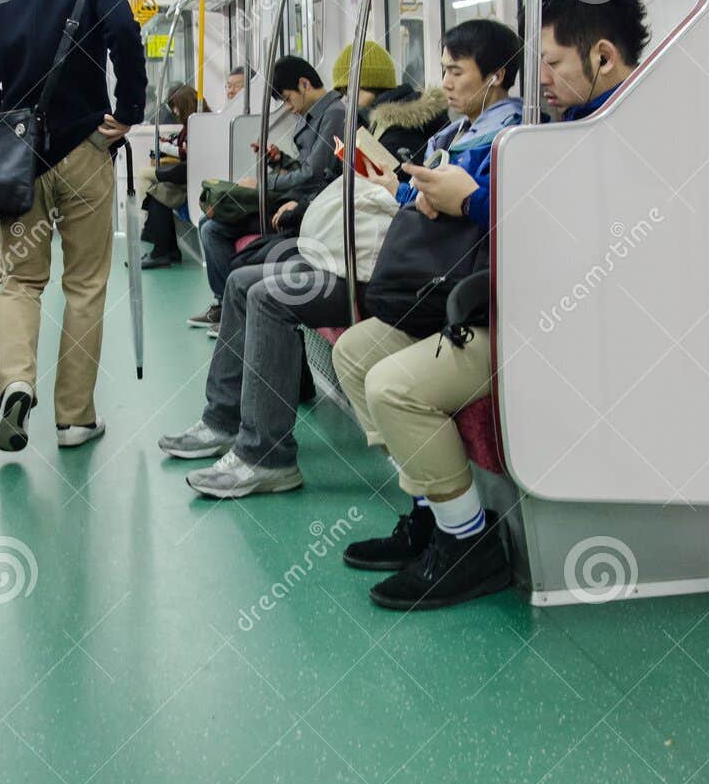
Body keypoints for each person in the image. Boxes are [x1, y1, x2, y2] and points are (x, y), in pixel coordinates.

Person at [334, 0, 649, 611]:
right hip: (513, 301)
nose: (542, 79)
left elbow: (584, 245)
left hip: (557, 323)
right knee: (357, 350)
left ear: (603, 57)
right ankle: (429, 510)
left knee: (393, 386)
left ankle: (470, 546)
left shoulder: (623, 133)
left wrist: (473, 201)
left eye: (554, 62)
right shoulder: (566, 125)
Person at [157, 35, 481, 499]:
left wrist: (393, 187)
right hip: (368, 254)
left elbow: (414, 202)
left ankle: (266, 456)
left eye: (457, 71)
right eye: (443, 70)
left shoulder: (447, 136)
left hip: (395, 273)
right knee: (243, 282)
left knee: (268, 292)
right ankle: (223, 419)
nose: (445, 82)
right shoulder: (443, 134)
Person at [0, 0, 147, 452]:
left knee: (20, 280)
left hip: (20, 159)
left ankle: (17, 382)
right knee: (85, 286)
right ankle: (74, 420)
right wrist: (129, 111)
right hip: (86, 149)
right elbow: (126, 39)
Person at [190, 55, 345, 330]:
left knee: (212, 228)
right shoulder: (311, 117)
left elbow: (315, 175)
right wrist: (278, 160)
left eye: (287, 99)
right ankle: (225, 303)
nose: (288, 107)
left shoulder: (333, 114)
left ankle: (231, 309)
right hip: (292, 197)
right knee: (208, 222)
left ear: (304, 84)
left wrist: (265, 184)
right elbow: (305, 167)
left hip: (304, 205)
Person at [139, 83, 205, 270]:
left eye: (176, 106)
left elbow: (192, 156)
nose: (174, 111)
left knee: (159, 193)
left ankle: (161, 251)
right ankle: (167, 250)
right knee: (157, 192)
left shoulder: (200, 123)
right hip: (189, 174)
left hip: (195, 178)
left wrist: (170, 150)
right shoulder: (189, 124)